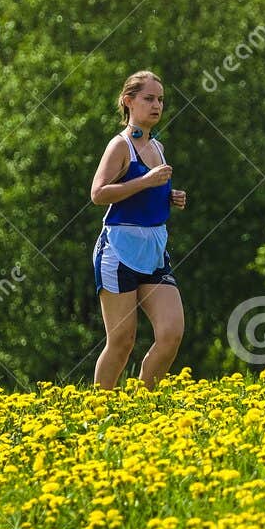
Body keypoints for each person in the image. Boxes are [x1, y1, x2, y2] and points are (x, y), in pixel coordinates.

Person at [90, 70, 187, 390]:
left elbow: (145, 194)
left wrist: (170, 196)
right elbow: (98, 194)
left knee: (171, 333)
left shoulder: (158, 146)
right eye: (148, 99)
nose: (157, 105)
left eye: (160, 99)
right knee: (122, 341)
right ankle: (97, 408)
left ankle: (142, 404)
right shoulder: (119, 146)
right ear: (128, 101)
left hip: (154, 250)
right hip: (118, 250)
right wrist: (145, 182)